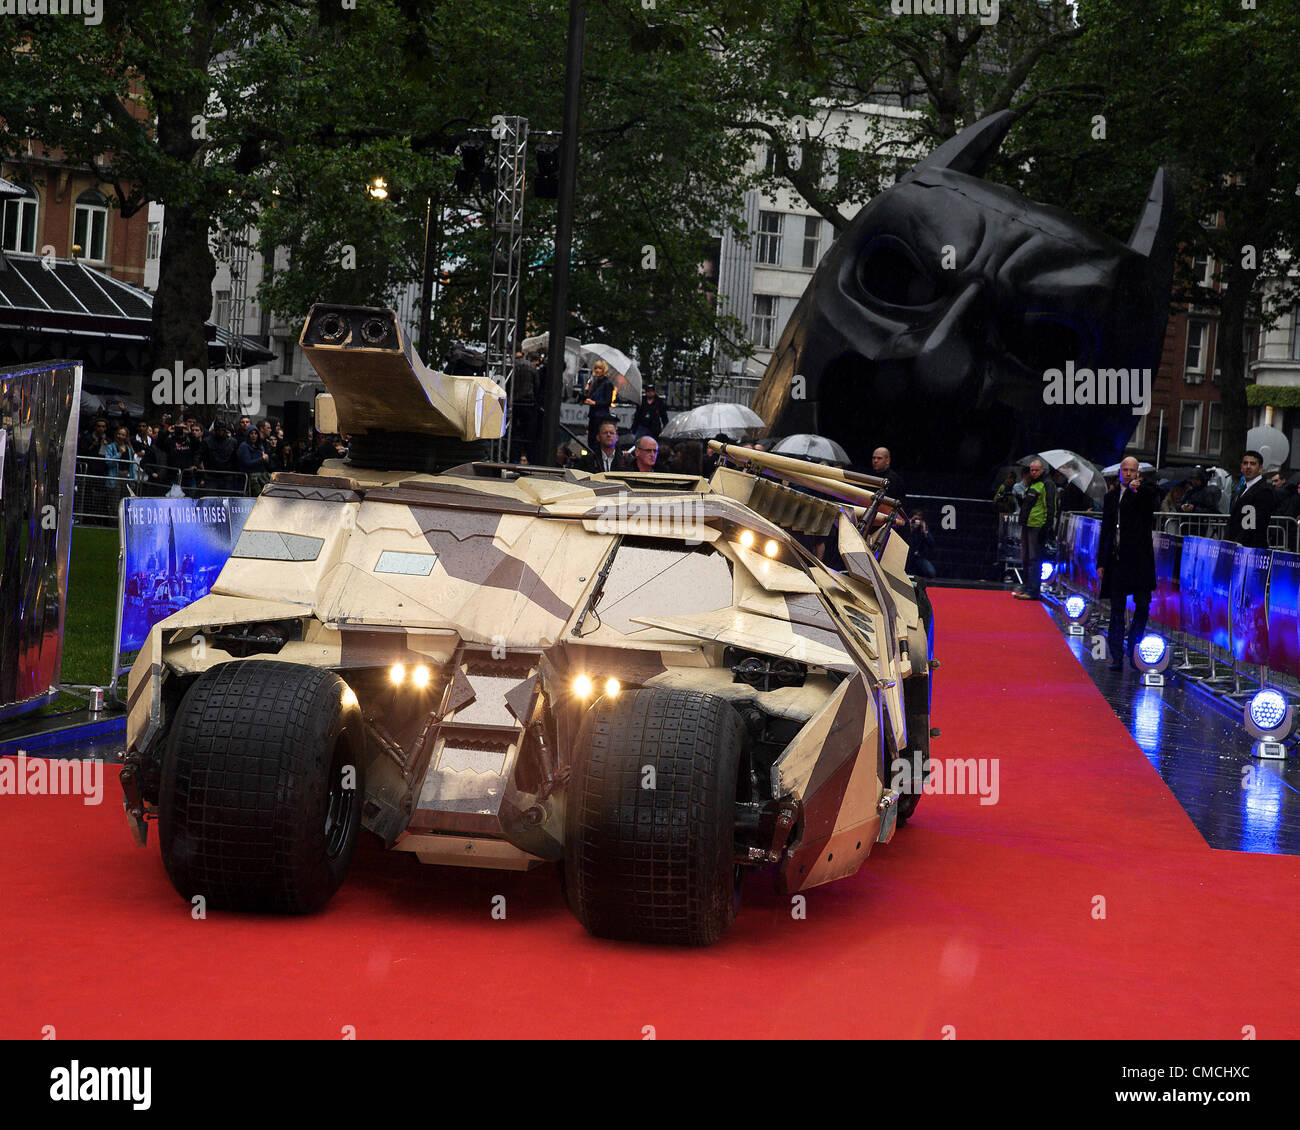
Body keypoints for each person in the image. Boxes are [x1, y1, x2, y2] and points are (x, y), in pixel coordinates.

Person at [1098, 457, 1159, 671]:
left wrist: (1139, 489)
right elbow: (1105, 530)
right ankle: (1116, 655)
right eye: (1125, 470)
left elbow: (1153, 498)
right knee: (1116, 609)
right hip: (1116, 561)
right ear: (1119, 472)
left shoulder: (1143, 493)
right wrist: (1101, 561)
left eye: (1132, 470)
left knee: (1142, 606)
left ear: (1138, 472)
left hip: (1139, 562)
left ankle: (1134, 648)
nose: (1128, 473)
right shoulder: (1111, 496)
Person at [1015, 459, 1049, 600]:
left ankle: (1033, 590)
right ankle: (1027, 587)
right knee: (1025, 558)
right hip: (1027, 524)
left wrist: (1046, 528)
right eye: (1031, 470)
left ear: (1042, 470)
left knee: (1034, 559)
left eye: (1036, 470)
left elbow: (1050, 507)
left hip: (1037, 526)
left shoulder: (1047, 485)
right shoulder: (1032, 484)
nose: (1033, 472)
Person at [1228, 450, 1275, 549]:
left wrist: (1237, 544)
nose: (1248, 467)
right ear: (1241, 467)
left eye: (1253, 464)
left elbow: (1253, 524)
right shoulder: (1244, 488)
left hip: (1250, 548)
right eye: (1245, 463)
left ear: (1260, 469)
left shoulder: (1263, 491)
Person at [583, 360, 616, 450]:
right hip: (593, 415)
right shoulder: (594, 381)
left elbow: (608, 401)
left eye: (600, 368)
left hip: (601, 416)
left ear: (604, 370)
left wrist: (595, 403)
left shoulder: (607, 383)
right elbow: (589, 396)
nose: (597, 370)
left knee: (598, 440)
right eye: (596, 368)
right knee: (591, 439)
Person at [905, 511, 937, 579]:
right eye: (915, 519)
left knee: (931, 573)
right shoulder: (906, 527)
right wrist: (910, 527)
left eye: (919, 519)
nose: (917, 521)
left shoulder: (922, 530)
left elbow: (932, 544)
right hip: (906, 557)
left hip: (919, 557)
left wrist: (925, 531)